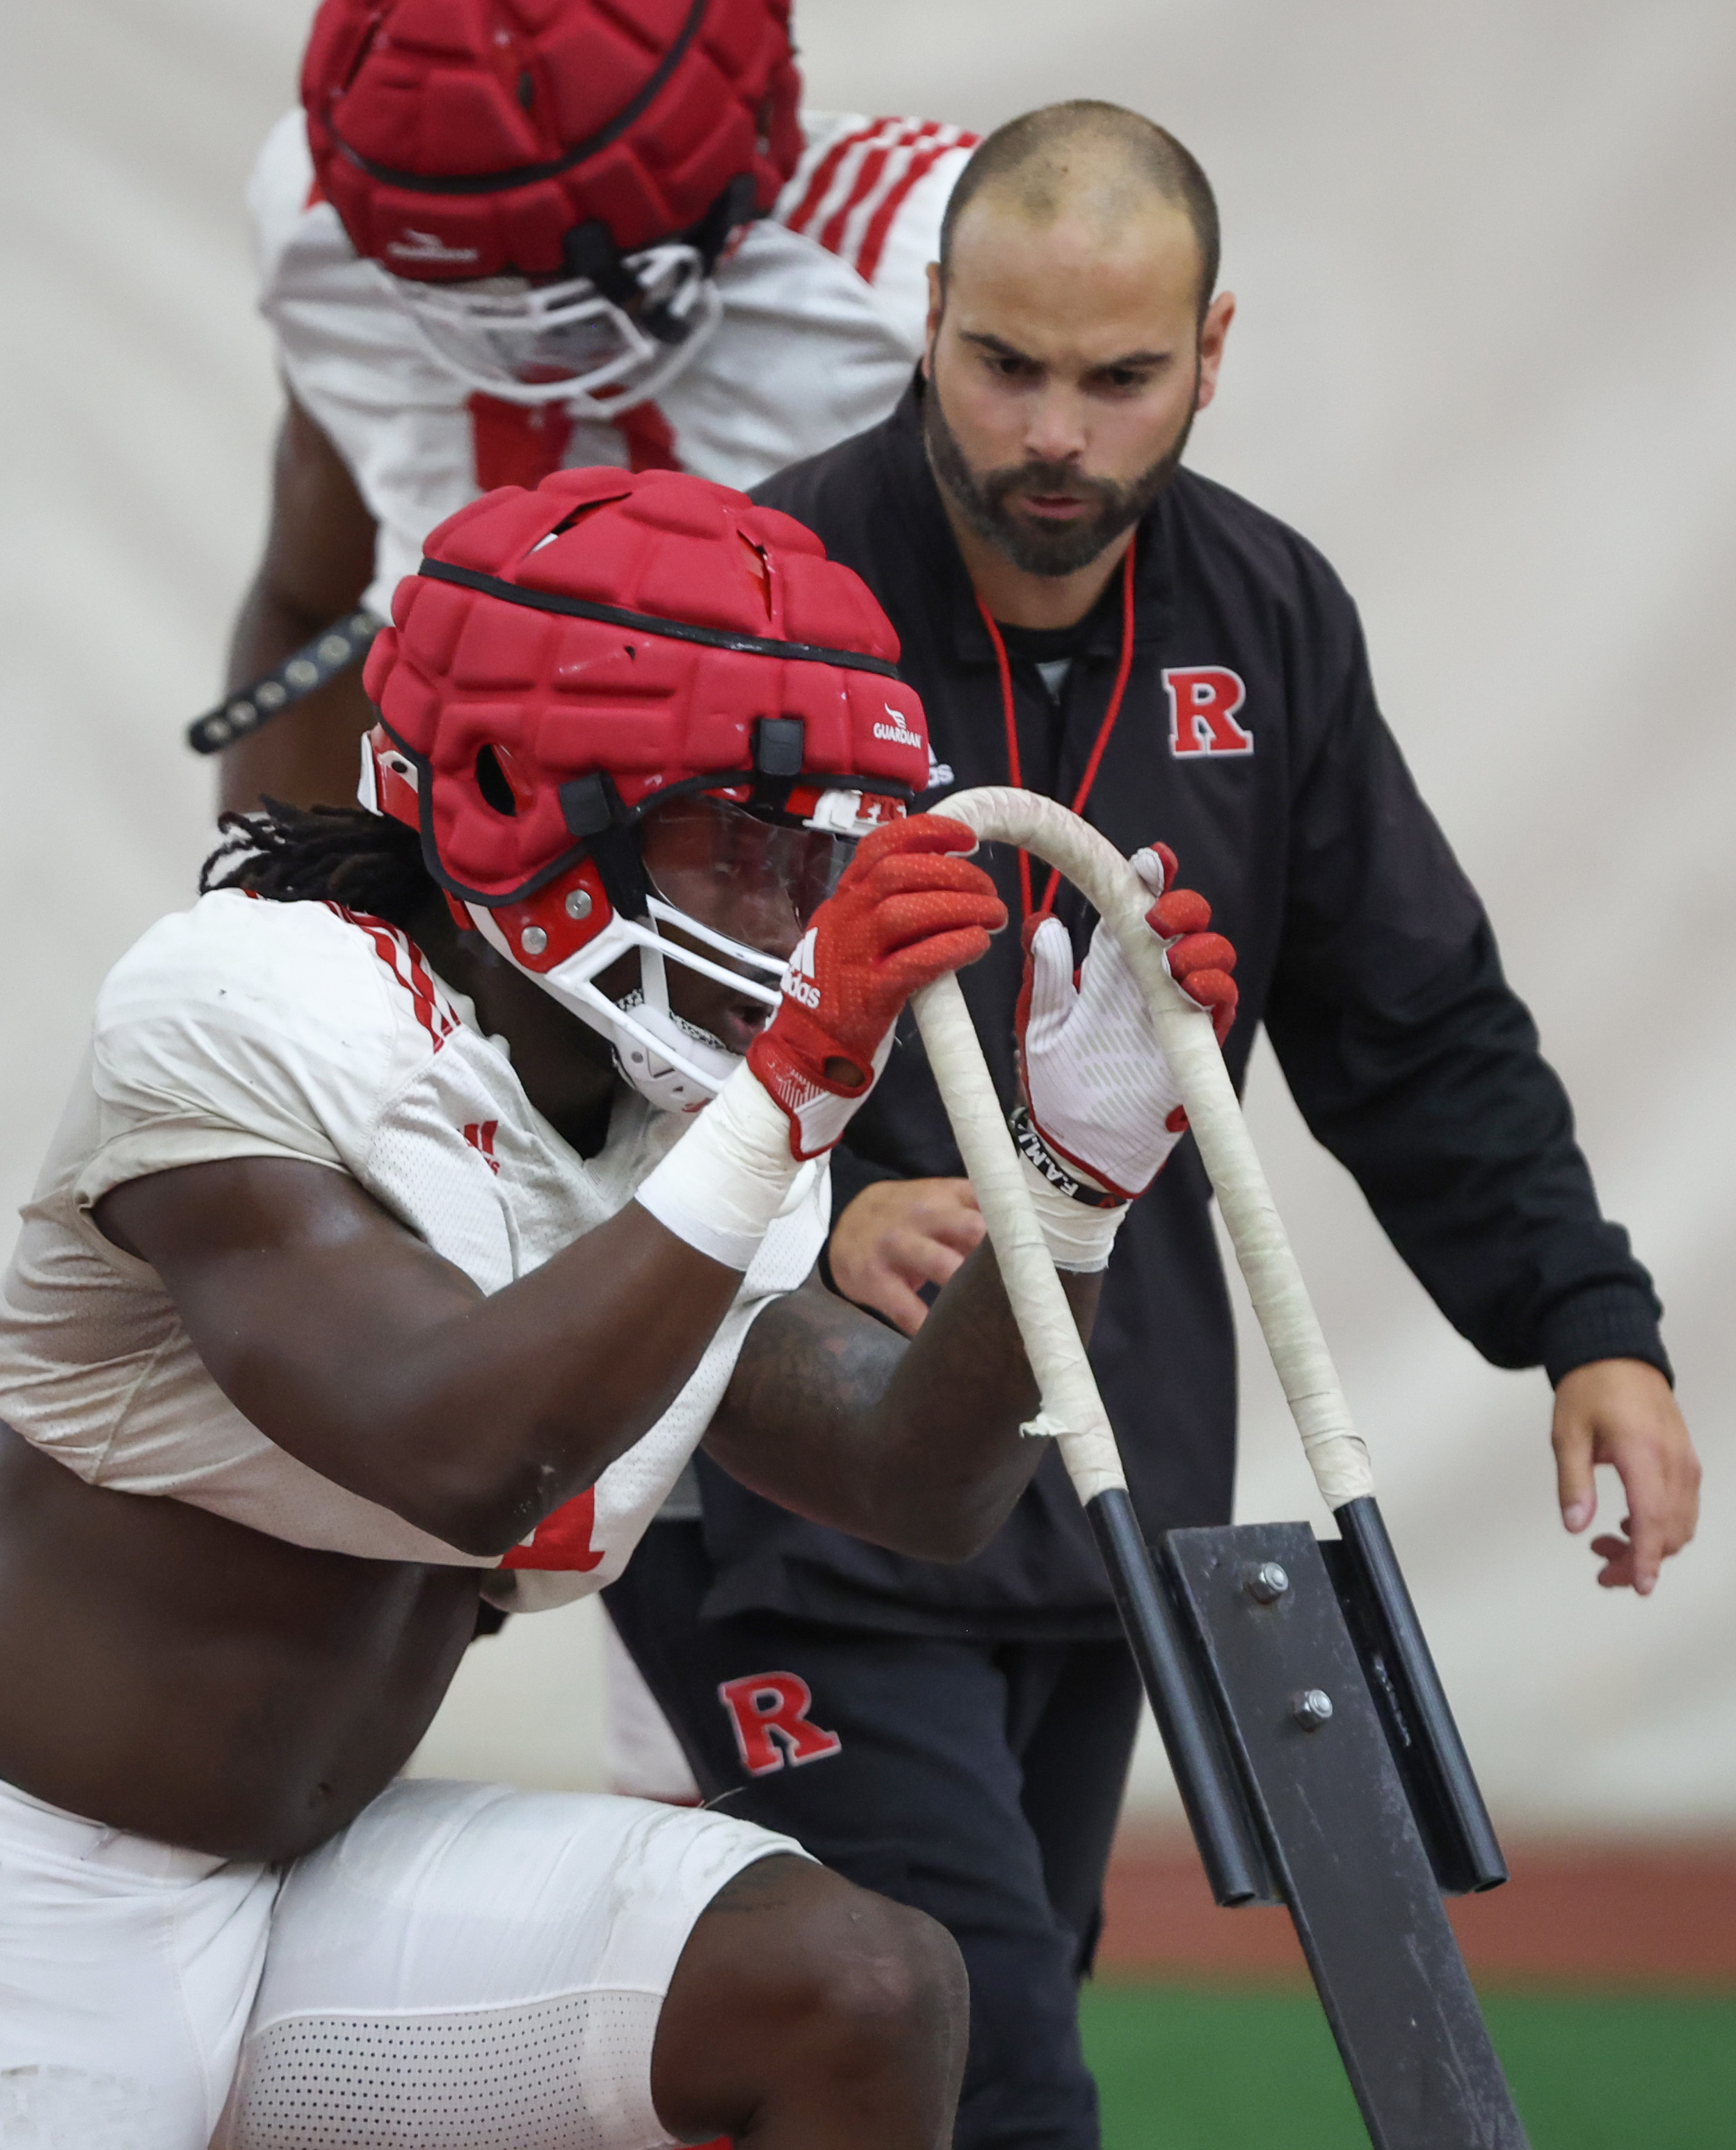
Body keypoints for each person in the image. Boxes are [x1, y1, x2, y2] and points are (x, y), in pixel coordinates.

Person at [600, 102, 1704, 2150]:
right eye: (1003, 364)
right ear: (929, 321)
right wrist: (810, 1208)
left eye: (1116, 378)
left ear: (1211, 351)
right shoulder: (749, 598)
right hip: (791, 1498)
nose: (1054, 434)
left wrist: (1589, 1323)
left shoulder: (1267, 614)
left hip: (1101, 1477)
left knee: (914, 2065)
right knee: (983, 2066)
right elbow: (588, 1029)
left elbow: (1414, 1024)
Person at [0, 465, 1237, 2145]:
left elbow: (918, 1483)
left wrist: (1070, 1188)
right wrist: (778, 1107)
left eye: (819, 850)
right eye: (738, 840)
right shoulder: (245, 1001)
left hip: (310, 1871)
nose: (795, 911)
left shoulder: (689, 1125)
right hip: (42, 1876)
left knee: (861, 1987)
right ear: (514, 797)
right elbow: (455, 1454)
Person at [217, 0, 976, 815]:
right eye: (473, 299)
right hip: (465, 835)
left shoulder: (930, 271)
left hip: (807, 847)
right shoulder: (322, 232)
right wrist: (270, 878)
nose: (525, 354)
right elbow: (310, 597)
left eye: (573, 312)